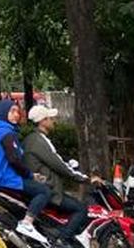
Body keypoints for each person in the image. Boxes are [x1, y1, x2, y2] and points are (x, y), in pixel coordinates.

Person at [23, 105, 102, 248]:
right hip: (49, 190)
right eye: (51, 118)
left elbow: (56, 159)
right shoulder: (40, 141)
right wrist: (87, 179)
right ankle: (63, 240)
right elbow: (59, 166)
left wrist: (69, 163)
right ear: (42, 121)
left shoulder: (32, 139)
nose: (54, 121)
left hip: (39, 186)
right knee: (81, 209)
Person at [0, 99, 51, 245]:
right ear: (3, 112)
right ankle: (27, 223)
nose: (16, 115)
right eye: (12, 111)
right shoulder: (6, 133)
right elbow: (14, 160)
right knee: (44, 192)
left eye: (17, 111)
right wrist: (31, 175)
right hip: (3, 177)